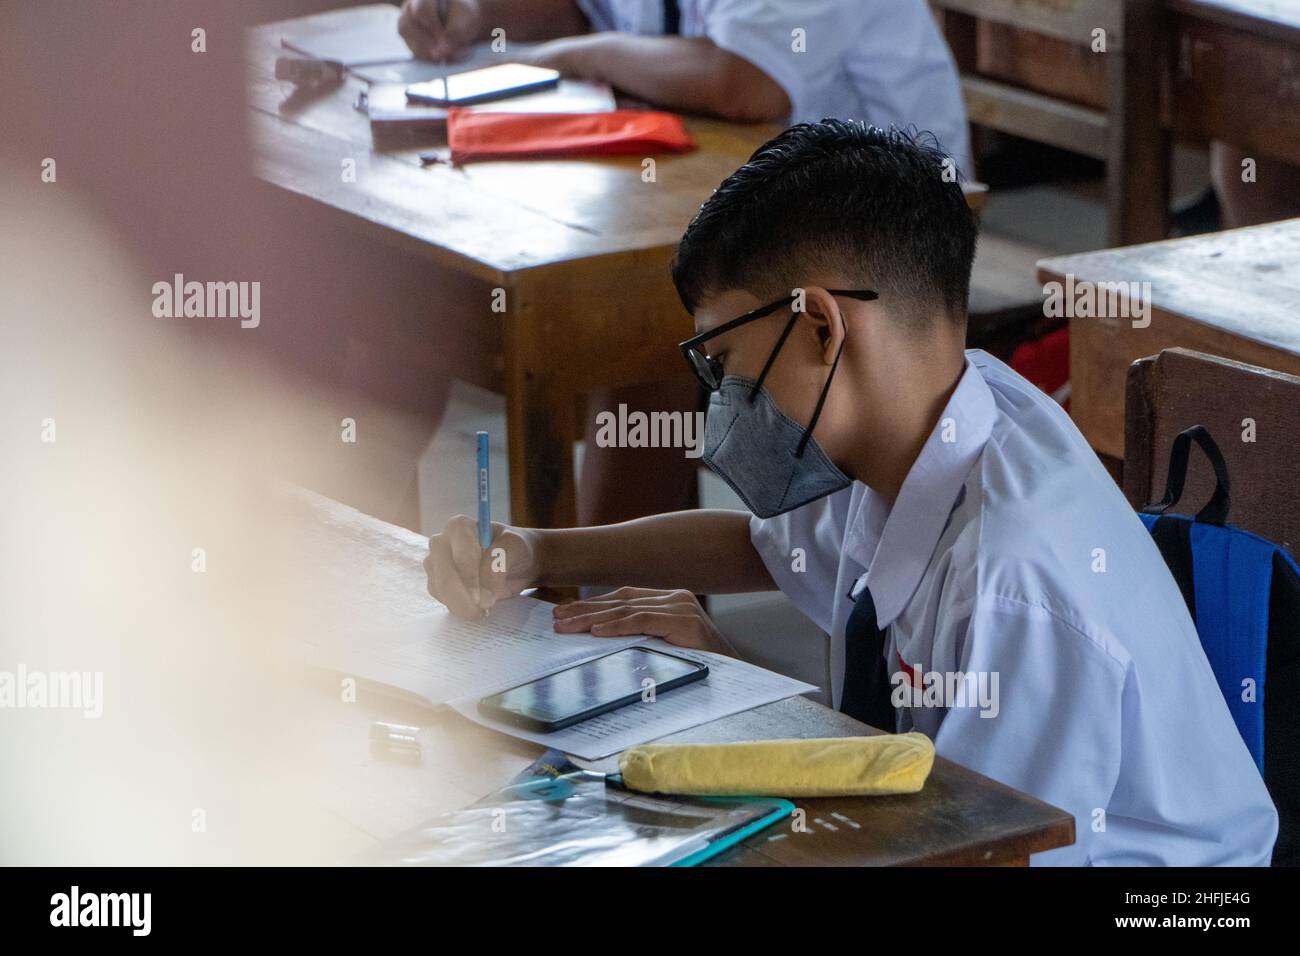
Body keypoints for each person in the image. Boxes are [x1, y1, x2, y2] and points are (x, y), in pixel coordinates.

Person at [424, 120, 1278, 866]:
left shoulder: (1017, 582)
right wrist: (539, 549)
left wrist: (749, 695)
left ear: (824, 326)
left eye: (725, 364)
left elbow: (965, 843)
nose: (722, 400)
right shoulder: (934, 414)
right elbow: (758, 543)